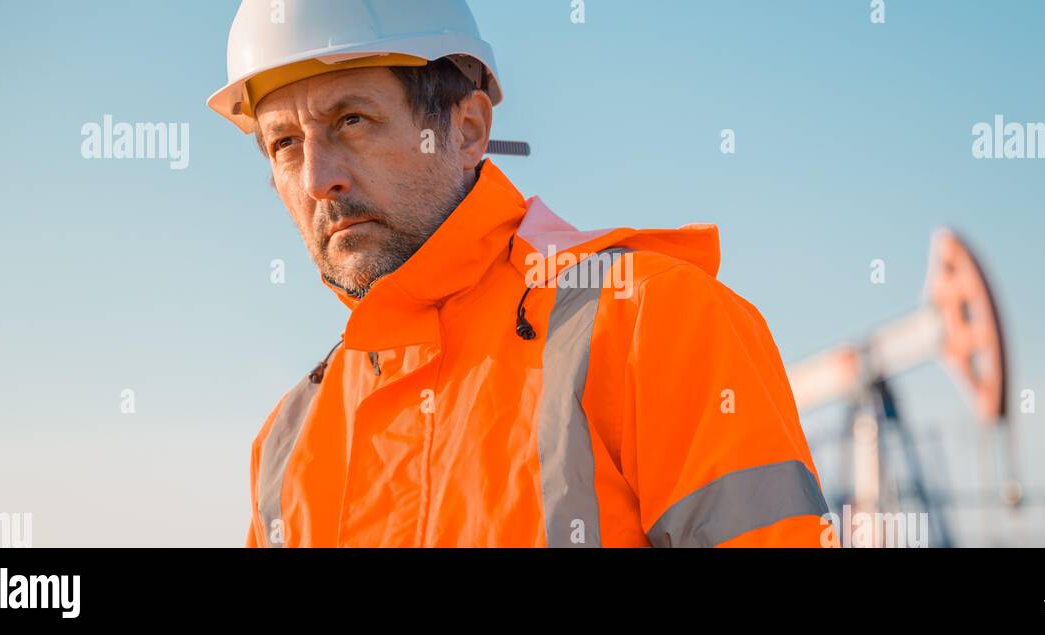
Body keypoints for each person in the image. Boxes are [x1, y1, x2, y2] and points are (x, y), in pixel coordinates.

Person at [209, 0, 835, 548]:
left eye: (351, 120)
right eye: (284, 144)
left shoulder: (651, 324)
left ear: (468, 129)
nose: (319, 180)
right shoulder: (288, 445)